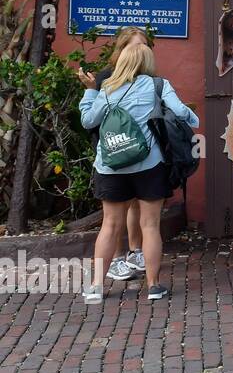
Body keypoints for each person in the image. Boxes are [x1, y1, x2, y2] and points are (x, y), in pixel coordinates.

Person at [77, 43, 199, 303]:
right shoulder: (157, 85)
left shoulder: (106, 88)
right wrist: (192, 118)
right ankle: (154, 286)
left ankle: (97, 286)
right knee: (150, 226)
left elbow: (88, 121)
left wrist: (89, 92)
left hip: (111, 166)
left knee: (109, 226)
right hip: (148, 165)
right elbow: (181, 113)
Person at [78, 26, 152, 283]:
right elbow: (91, 119)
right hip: (113, 147)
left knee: (135, 204)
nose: (141, 50)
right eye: (135, 45)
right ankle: (117, 257)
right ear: (121, 49)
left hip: (140, 153)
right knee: (115, 213)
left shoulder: (148, 77)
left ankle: (136, 251)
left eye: (144, 44)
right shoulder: (107, 77)